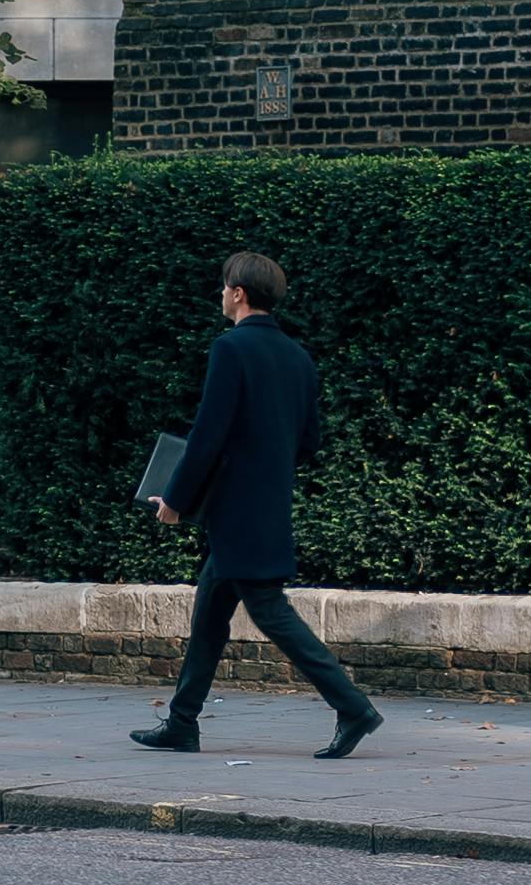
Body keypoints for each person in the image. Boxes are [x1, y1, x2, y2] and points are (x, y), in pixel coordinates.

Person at [131, 245, 381, 762]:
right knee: (209, 618)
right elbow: (308, 442)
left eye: (224, 287)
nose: (221, 295)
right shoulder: (298, 356)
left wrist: (176, 499)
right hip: (263, 508)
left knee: (271, 612)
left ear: (239, 293)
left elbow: (208, 435)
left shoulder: (231, 349)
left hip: (237, 513)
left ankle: (353, 707)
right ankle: (181, 723)